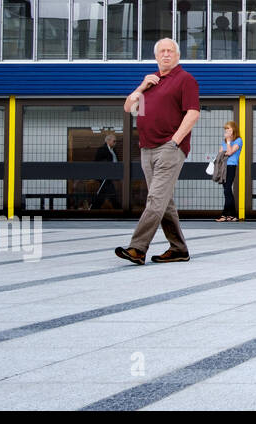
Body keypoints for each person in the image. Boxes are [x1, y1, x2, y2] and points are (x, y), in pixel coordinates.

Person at [115, 39, 199, 264]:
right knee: (164, 201)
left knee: (155, 199)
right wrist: (141, 87)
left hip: (169, 148)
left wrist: (175, 142)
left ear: (178, 56)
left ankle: (137, 248)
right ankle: (179, 249)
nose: (166, 54)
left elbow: (193, 113)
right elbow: (129, 108)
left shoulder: (185, 80)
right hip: (147, 149)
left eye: (170, 51)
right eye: (162, 51)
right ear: (156, 56)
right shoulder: (150, 83)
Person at [216, 121, 242, 222]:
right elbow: (221, 154)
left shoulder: (238, 140)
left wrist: (228, 142)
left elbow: (230, 152)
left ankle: (224, 215)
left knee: (227, 189)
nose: (227, 131)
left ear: (233, 130)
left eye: (229, 129)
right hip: (223, 167)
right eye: (226, 129)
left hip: (231, 166)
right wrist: (226, 144)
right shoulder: (224, 141)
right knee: (227, 191)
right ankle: (232, 215)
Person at [90, 132, 120, 210]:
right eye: (114, 141)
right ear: (108, 141)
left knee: (102, 194)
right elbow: (97, 162)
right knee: (112, 193)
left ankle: (94, 209)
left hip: (112, 175)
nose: (115, 143)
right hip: (105, 176)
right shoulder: (101, 150)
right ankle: (118, 209)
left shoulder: (114, 150)